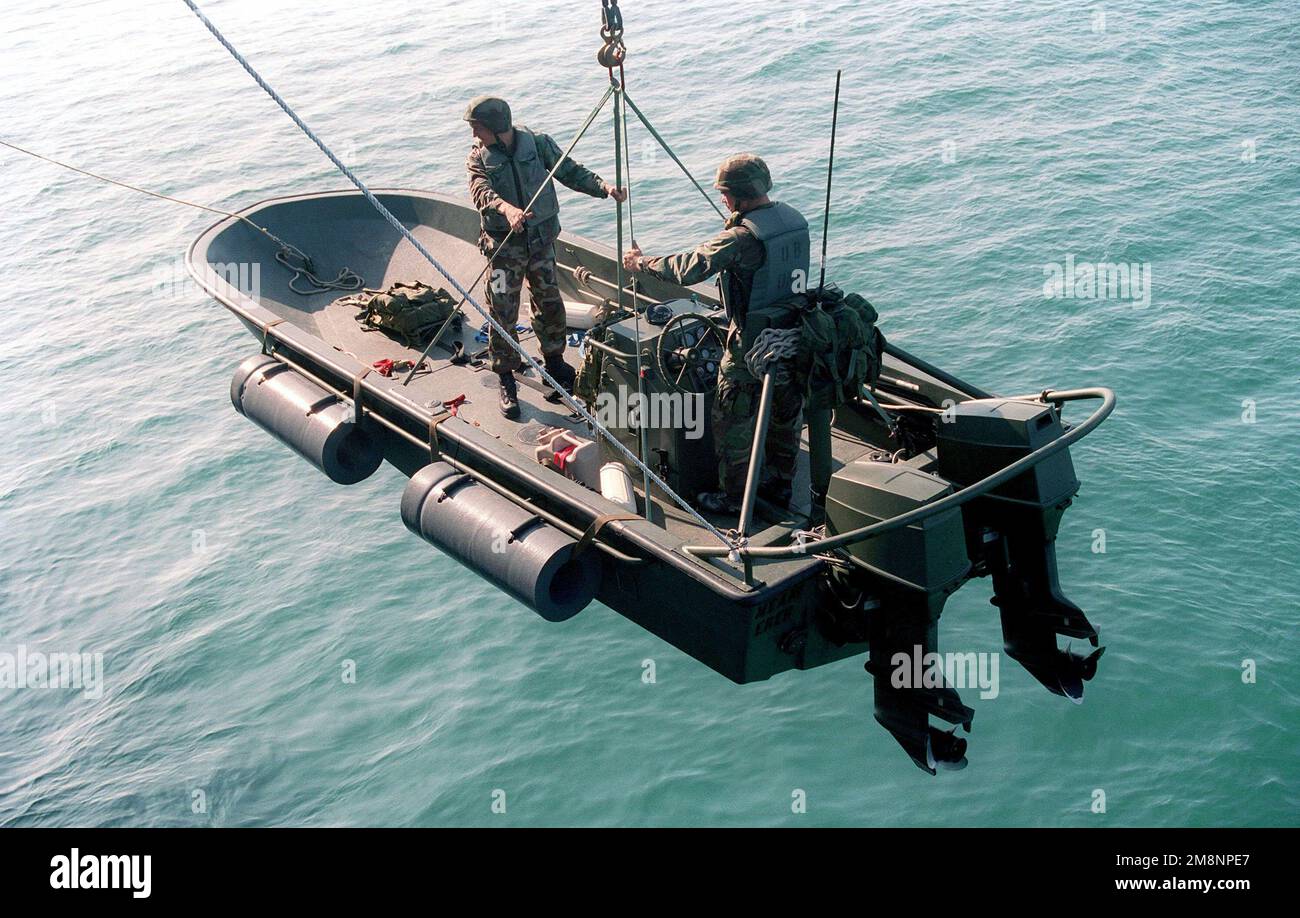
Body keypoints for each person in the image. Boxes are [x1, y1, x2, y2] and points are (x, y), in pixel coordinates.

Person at [623, 153, 810, 514]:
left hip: (751, 345)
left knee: (732, 416)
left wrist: (641, 263)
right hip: (792, 335)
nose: (722, 199)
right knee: (785, 415)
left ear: (738, 195)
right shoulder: (793, 219)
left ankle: (735, 497)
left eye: (725, 193)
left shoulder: (740, 238)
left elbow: (689, 267)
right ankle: (781, 485)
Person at [464, 95, 627, 419]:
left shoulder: (537, 144)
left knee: (549, 301)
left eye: (477, 128)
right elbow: (480, 191)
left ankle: (554, 362)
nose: (474, 136)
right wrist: (506, 208)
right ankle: (506, 375)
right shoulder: (478, 158)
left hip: (540, 241)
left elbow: (569, 170)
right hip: (503, 248)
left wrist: (604, 188)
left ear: (496, 128)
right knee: (502, 309)